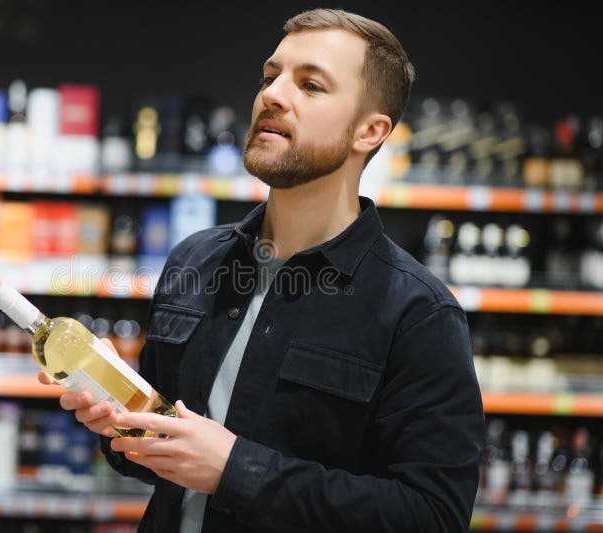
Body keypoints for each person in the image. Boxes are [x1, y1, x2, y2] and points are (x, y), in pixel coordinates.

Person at [39, 8, 485, 532]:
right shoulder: (194, 262)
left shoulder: (417, 314)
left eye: (310, 85)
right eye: (270, 76)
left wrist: (236, 471)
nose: (273, 95)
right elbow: (157, 452)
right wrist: (119, 413)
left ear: (370, 130)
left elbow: (432, 516)